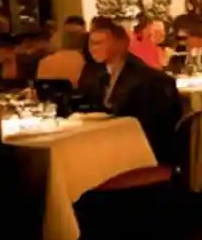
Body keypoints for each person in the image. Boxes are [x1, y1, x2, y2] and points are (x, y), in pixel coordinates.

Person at [77, 19, 181, 164]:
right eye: (91, 43)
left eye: (99, 43)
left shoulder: (144, 78)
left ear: (120, 45)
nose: (93, 48)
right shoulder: (92, 71)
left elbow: (145, 124)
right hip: (104, 141)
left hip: (139, 150)